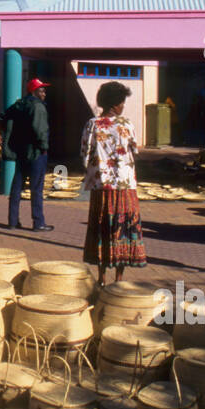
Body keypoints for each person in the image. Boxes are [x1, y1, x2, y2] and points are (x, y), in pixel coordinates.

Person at [81, 80, 147, 284]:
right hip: (125, 187)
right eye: (121, 102)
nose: (123, 106)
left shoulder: (92, 125)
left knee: (102, 228)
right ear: (114, 104)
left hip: (102, 187)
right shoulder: (126, 124)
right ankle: (119, 278)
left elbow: (84, 155)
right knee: (124, 229)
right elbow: (134, 150)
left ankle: (101, 277)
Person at [4, 78, 52, 232]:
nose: (44, 93)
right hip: (36, 152)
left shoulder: (18, 105)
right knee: (36, 188)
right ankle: (38, 223)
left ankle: (12, 221)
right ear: (34, 91)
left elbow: (2, 118)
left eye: (44, 90)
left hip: (21, 151)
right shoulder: (38, 107)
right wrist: (44, 147)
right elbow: (40, 130)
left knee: (16, 187)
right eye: (41, 90)